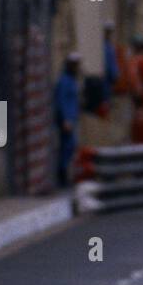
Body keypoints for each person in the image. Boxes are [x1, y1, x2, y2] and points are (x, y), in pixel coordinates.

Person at [53, 52, 81, 187]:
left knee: (71, 146)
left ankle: (65, 173)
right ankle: (61, 174)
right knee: (67, 146)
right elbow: (62, 101)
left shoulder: (72, 80)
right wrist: (65, 119)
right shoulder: (64, 81)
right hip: (67, 120)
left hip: (72, 118)